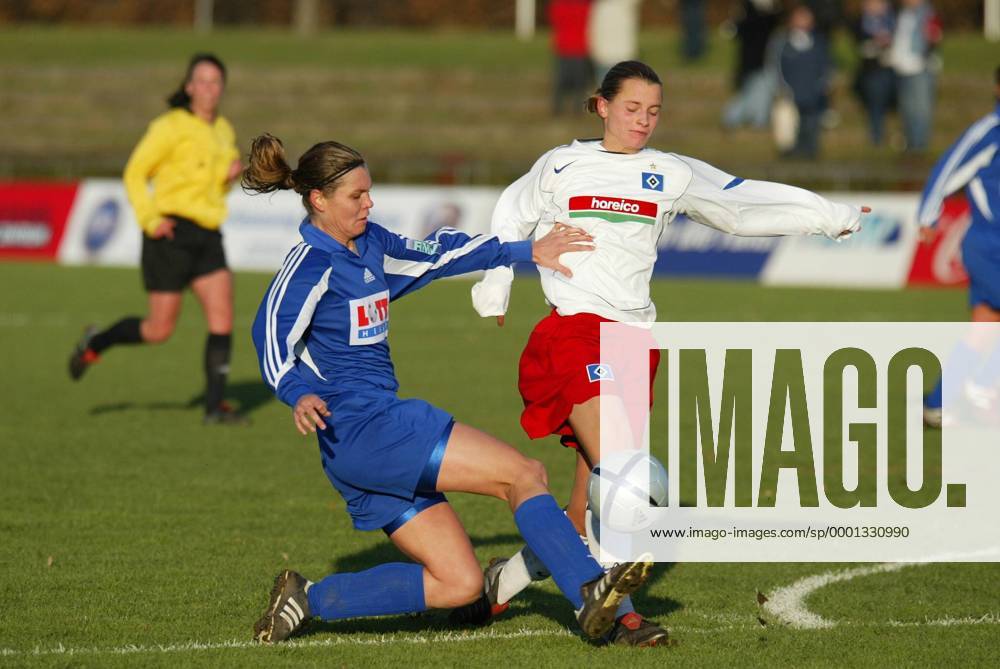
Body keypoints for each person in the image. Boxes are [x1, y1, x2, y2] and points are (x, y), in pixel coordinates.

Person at [461, 60, 866, 645]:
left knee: (585, 510)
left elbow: (740, 202)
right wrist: (495, 282)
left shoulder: (668, 173)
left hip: (631, 342)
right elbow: (510, 212)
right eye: (631, 109)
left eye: (653, 111)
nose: (643, 121)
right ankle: (620, 616)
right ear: (602, 106)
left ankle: (504, 584)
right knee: (625, 482)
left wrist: (830, 217)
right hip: (573, 333)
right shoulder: (559, 165)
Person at [242, 133, 656, 644]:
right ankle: (588, 590)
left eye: (369, 191)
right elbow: (269, 335)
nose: (369, 203)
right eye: (356, 196)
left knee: (458, 584)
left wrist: (526, 250)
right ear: (318, 200)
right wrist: (296, 393)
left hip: (363, 442)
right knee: (522, 475)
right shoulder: (309, 264)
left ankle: (307, 598)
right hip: (365, 426)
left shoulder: (370, 244)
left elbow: (437, 254)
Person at [68, 53, 246, 425]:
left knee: (223, 318)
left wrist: (229, 178)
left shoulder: (225, 130)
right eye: (203, 80)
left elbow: (215, 192)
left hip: (208, 235)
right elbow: (135, 172)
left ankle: (214, 409)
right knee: (159, 329)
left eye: (216, 81)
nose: (210, 88)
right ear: (189, 87)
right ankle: (95, 343)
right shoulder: (169, 126)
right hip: (170, 234)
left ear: (222, 88)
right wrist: (150, 219)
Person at [919, 66, 1000, 427]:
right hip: (990, 244)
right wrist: (928, 214)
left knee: (986, 325)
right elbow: (949, 167)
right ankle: (982, 389)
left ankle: (940, 400)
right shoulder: (990, 132)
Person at [776, 4, 831, 159]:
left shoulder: (818, 42)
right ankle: (791, 153)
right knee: (790, 124)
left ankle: (810, 153)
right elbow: (776, 66)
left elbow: (825, 66)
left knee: (811, 124)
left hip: (813, 93)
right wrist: (783, 88)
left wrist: (821, 85)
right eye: (799, 17)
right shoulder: (783, 43)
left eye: (806, 17)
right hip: (791, 93)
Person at [887, 0, 942, 152]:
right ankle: (910, 144)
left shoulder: (927, 14)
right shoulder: (901, 13)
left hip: (919, 68)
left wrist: (925, 55)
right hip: (901, 68)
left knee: (921, 110)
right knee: (907, 109)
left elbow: (934, 36)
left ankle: (919, 146)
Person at [851, 0, 896, 146]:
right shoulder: (860, 23)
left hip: (892, 68)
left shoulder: (893, 20)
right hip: (871, 70)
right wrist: (877, 41)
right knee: (875, 103)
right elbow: (859, 41)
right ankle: (877, 137)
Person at [549, 0, 593, 116]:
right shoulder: (585, 6)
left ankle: (557, 108)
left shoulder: (558, 6)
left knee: (560, 81)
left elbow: (554, 20)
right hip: (580, 47)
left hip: (563, 46)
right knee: (579, 82)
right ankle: (577, 109)